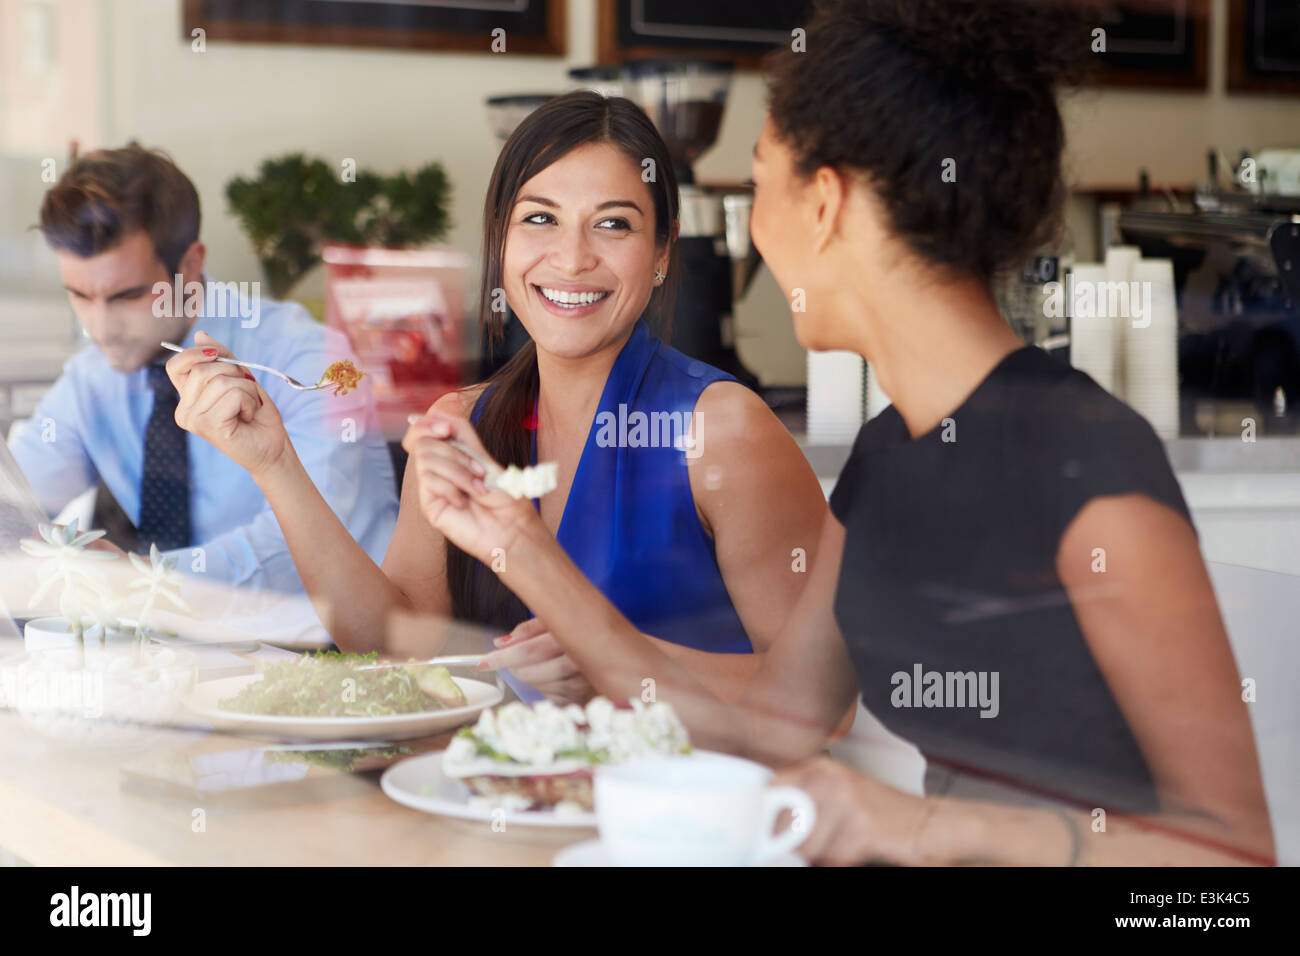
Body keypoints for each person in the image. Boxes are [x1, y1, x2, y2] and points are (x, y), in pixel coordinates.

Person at [400, 0, 1275, 864]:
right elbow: (770, 729)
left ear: (824, 202)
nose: (753, 225)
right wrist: (523, 548)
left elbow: (1231, 875)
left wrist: (925, 828)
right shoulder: (891, 457)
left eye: (758, 178)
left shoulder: (1086, 458)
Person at [165, 93, 829, 703]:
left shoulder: (722, 430)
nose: (571, 260)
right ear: (500, 241)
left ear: (661, 253)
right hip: (507, 804)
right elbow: (391, 640)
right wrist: (274, 463)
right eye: (540, 218)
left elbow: (814, 703)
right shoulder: (461, 422)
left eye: (613, 225)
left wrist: (608, 659)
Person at [10, 145, 397, 636]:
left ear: (190, 266)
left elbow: (310, 548)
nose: (100, 327)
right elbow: (15, 503)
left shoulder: (311, 361)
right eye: (80, 296)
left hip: (335, 655)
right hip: (180, 660)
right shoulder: (92, 378)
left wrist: (145, 582)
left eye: (127, 295)